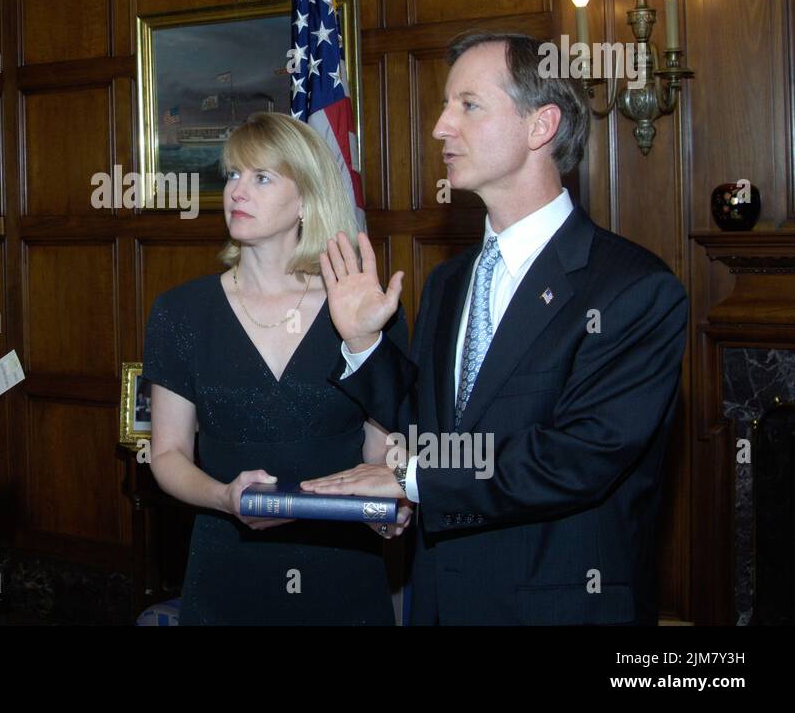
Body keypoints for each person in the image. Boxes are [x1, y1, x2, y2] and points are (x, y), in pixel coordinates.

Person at [303, 32, 688, 625]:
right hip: (439, 602)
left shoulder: (633, 289)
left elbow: (577, 457)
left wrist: (412, 478)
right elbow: (431, 430)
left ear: (541, 127)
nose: (439, 127)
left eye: (468, 105)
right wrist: (363, 343)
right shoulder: (450, 282)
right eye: (445, 105)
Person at [144, 112, 409, 625]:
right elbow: (168, 454)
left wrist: (391, 508)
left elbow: (385, 457)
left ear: (306, 200)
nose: (238, 192)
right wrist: (224, 497)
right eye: (233, 176)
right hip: (225, 573)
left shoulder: (362, 309)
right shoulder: (180, 311)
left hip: (342, 573)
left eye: (261, 177)